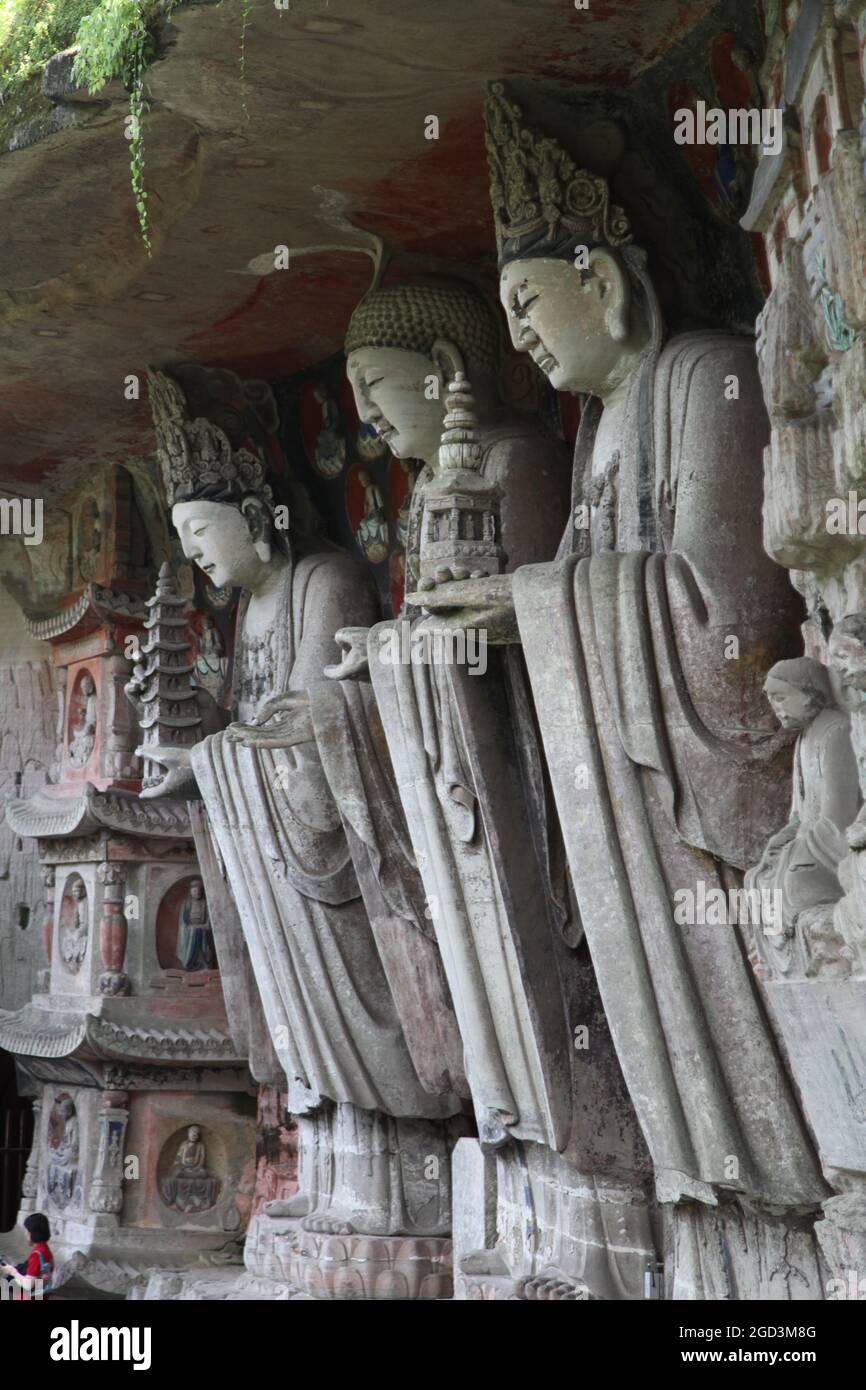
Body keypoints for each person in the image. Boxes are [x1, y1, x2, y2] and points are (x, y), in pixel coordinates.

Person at [1, 1213, 54, 1300]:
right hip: (42, 1295)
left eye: (26, 1231)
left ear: (32, 1233)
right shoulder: (46, 1250)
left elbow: (28, 1285)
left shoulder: (36, 1254)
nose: (25, 1235)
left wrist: (12, 1271)